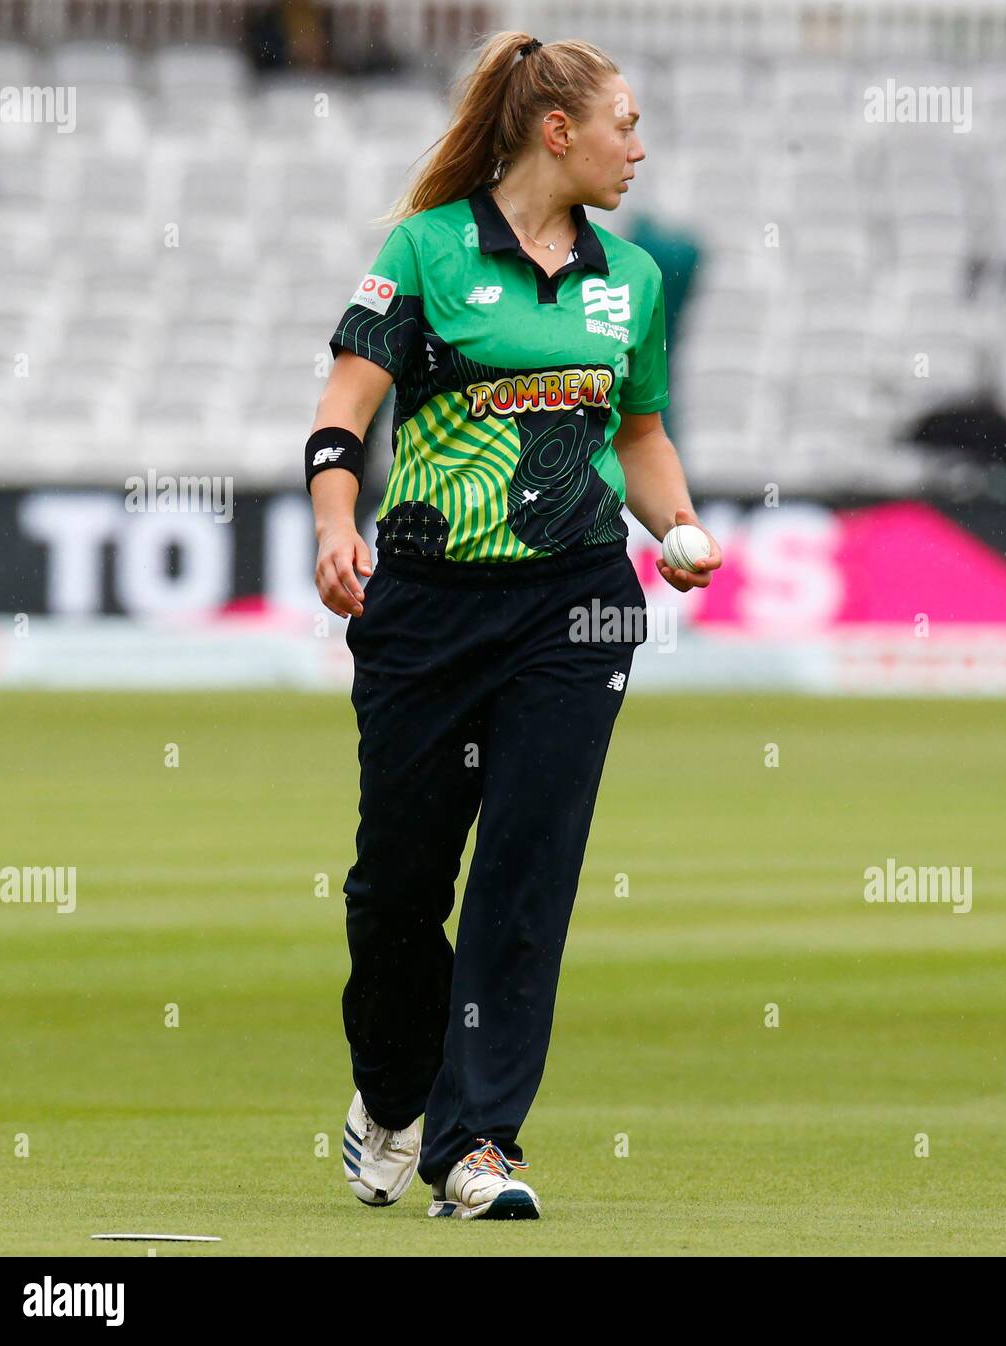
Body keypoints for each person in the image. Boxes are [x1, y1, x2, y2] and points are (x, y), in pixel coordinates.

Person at [306, 30, 721, 1221]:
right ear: (557, 131)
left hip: (577, 605)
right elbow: (341, 416)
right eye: (623, 124)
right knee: (397, 889)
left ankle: (478, 1142)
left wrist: (675, 524)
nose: (637, 148)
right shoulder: (426, 252)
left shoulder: (629, 279)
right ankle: (391, 1098)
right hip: (428, 604)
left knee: (526, 879)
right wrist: (339, 526)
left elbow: (639, 434)